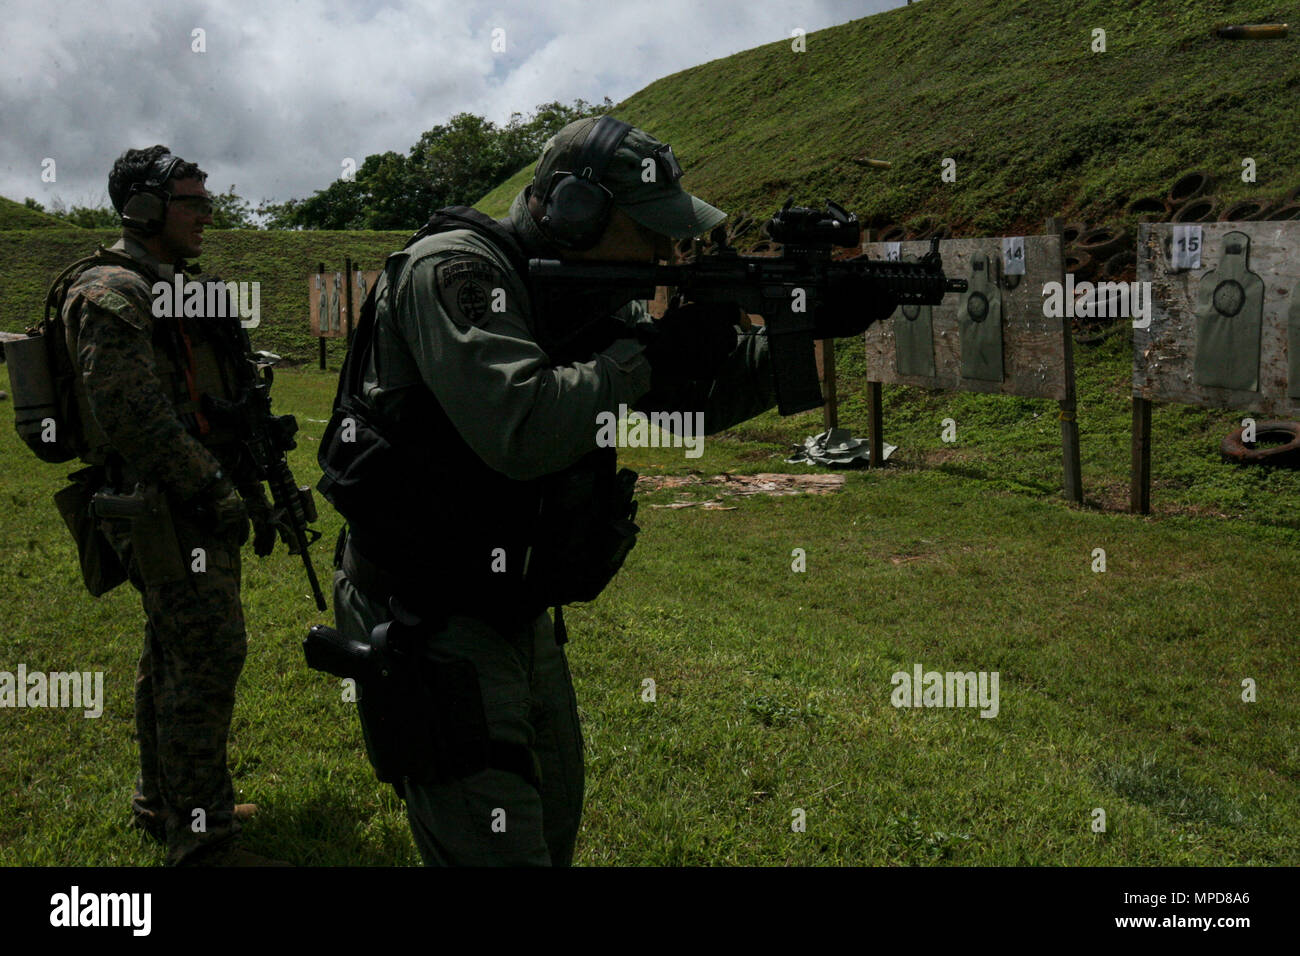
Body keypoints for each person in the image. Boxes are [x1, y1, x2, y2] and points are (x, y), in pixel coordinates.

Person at [320, 116, 893, 865]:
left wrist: (797, 327)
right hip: (427, 615)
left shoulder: (580, 295)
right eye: (648, 231)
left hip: (518, 611)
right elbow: (522, 426)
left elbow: (680, 408)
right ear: (571, 211)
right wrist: (644, 360)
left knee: (550, 836)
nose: (664, 253)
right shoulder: (456, 271)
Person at [61, 146, 279, 865]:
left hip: (188, 497)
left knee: (172, 652)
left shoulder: (176, 286)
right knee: (208, 653)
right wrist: (212, 489)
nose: (207, 215)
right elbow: (130, 414)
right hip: (163, 504)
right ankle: (204, 836)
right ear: (145, 209)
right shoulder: (110, 290)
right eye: (192, 202)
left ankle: (165, 801)